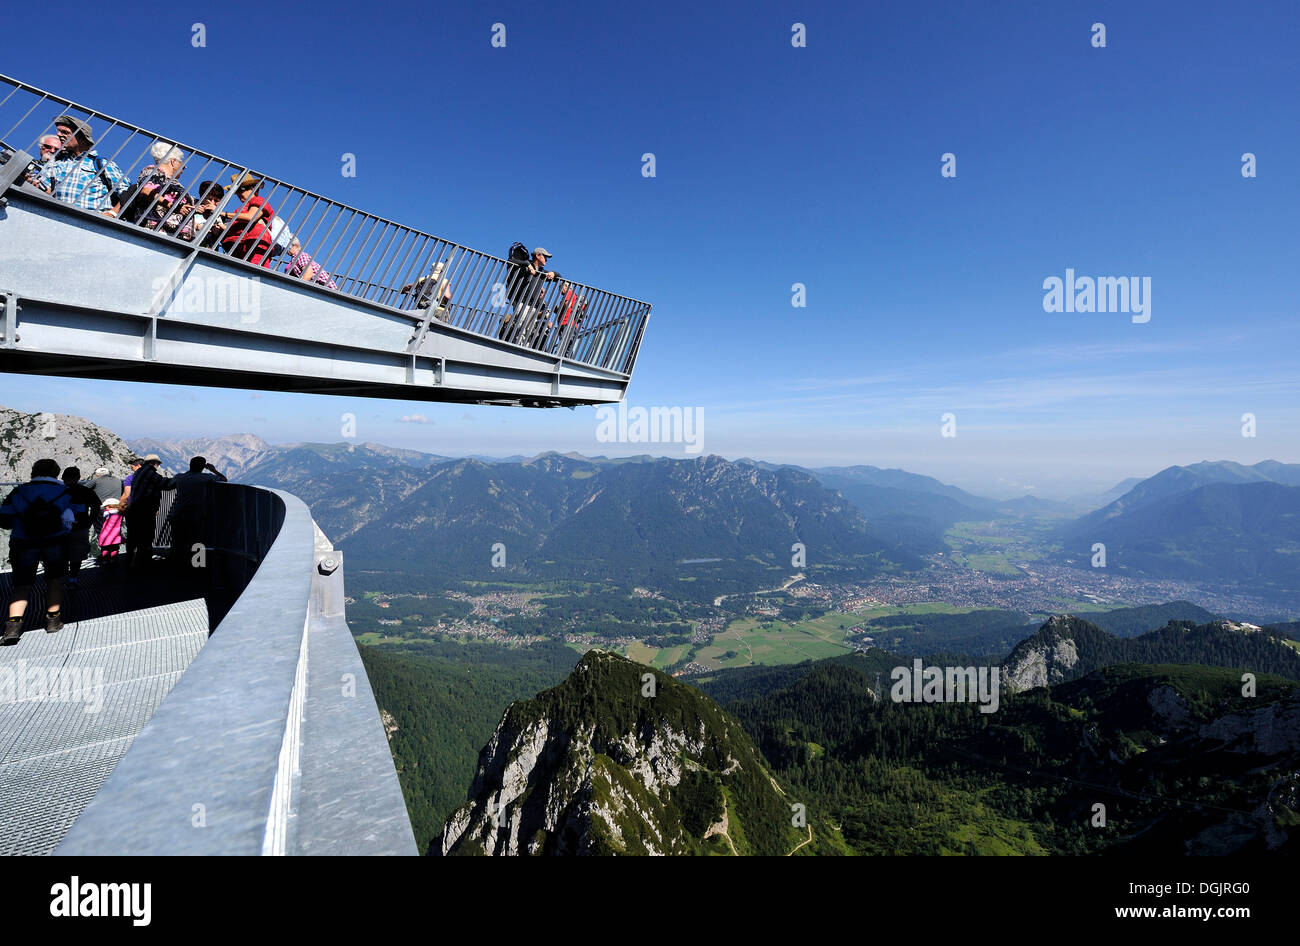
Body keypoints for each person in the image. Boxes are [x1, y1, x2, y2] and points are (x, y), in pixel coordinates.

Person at [0, 459, 78, 643]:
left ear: (33, 471)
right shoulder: (65, 492)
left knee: (22, 584)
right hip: (56, 542)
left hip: (24, 543)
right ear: (56, 473)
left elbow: (4, 520)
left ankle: (13, 626)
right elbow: (77, 516)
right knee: (54, 579)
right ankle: (53, 620)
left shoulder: (18, 491)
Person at [37, 115, 132, 217]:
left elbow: (127, 193)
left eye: (65, 132)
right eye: (59, 131)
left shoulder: (101, 164)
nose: (58, 134)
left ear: (81, 137)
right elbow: (46, 191)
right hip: (59, 218)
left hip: (92, 223)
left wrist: (111, 214)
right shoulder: (57, 164)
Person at [164, 457, 227, 574]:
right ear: (203, 467)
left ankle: (176, 566)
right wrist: (213, 470)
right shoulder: (205, 478)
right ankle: (198, 566)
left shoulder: (179, 477)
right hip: (196, 514)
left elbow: (169, 486)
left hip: (178, 514)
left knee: (178, 541)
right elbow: (224, 479)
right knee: (197, 540)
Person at [121, 142, 189, 232]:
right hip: (156, 230)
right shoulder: (155, 172)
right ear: (173, 162)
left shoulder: (172, 182)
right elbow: (147, 191)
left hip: (173, 233)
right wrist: (172, 206)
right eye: (182, 165)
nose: (184, 168)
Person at [122, 454, 174, 571]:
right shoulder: (150, 473)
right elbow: (166, 485)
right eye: (158, 464)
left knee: (132, 538)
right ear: (154, 463)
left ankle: (129, 562)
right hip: (144, 511)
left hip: (133, 510)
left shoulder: (138, 473)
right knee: (145, 538)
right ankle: (141, 565)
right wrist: (180, 479)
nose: (158, 467)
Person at [500, 247, 559, 343]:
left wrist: (554, 273)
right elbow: (511, 260)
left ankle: (523, 348)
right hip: (522, 302)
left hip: (534, 305)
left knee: (529, 330)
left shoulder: (543, 273)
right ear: (537, 255)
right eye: (545, 257)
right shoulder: (527, 265)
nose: (546, 260)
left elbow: (559, 277)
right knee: (520, 327)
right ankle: (516, 346)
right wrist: (528, 265)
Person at [220, 173, 276, 266]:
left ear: (254, 189)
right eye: (236, 191)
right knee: (241, 275)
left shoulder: (258, 200)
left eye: (241, 189)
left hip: (256, 243)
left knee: (255, 275)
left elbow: (251, 217)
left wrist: (223, 214)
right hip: (241, 246)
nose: (238, 193)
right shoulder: (239, 210)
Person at [60, 467, 101, 589]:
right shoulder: (85, 491)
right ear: (78, 478)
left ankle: (60, 580)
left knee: (61, 554)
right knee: (76, 555)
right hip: (80, 527)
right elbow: (96, 506)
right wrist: (89, 522)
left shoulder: (58, 491)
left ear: (63, 478)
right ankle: (73, 578)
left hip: (60, 529)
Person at [180, 181, 227, 246]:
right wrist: (193, 212)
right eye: (209, 199)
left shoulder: (222, 215)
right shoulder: (191, 203)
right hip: (182, 243)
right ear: (202, 197)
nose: (212, 203)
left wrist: (217, 221)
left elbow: (229, 234)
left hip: (205, 251)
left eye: (216, 200)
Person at [97, 498, 124, 566]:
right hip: (116, 534)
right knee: (114, 548)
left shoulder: (107, 513)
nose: (105, 508)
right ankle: (113, 560)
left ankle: (105, 561)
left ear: (110, 506)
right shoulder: (120, 513)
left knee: (105, 548)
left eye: (106, 507)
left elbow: (103, 516)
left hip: (106, 534)